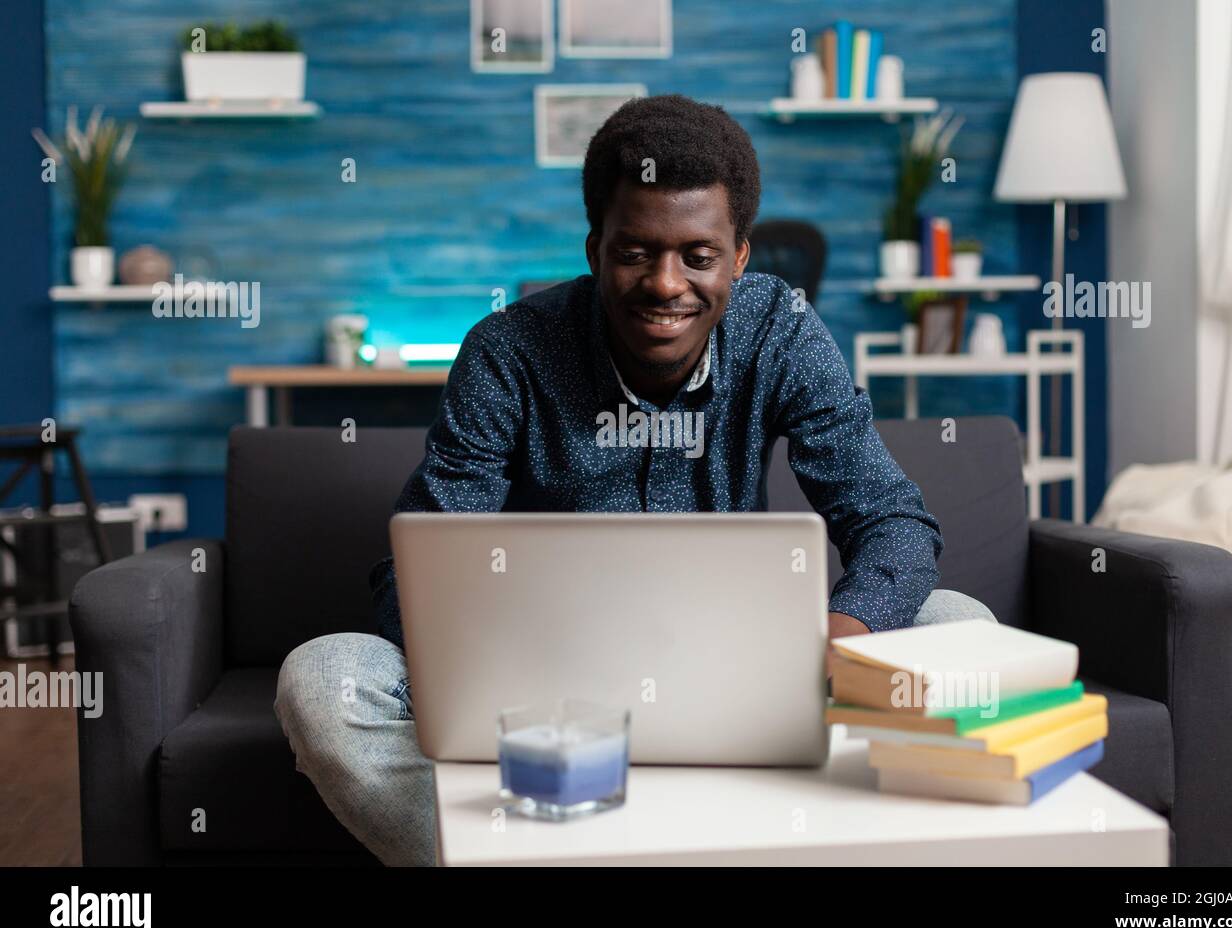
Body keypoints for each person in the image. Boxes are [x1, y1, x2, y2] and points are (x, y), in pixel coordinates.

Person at [275, 94, 994, 866]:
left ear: (739, 256)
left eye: (698, 255)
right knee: (324, 678)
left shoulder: (780, 331)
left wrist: (835, 644)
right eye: (636, 252)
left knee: (961, 626)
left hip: (747, 676)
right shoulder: (507, 352)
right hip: (547, 695)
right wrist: (503, 667)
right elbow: (416, 564)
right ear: (596, 249)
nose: (665, 284)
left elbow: (892, 521)